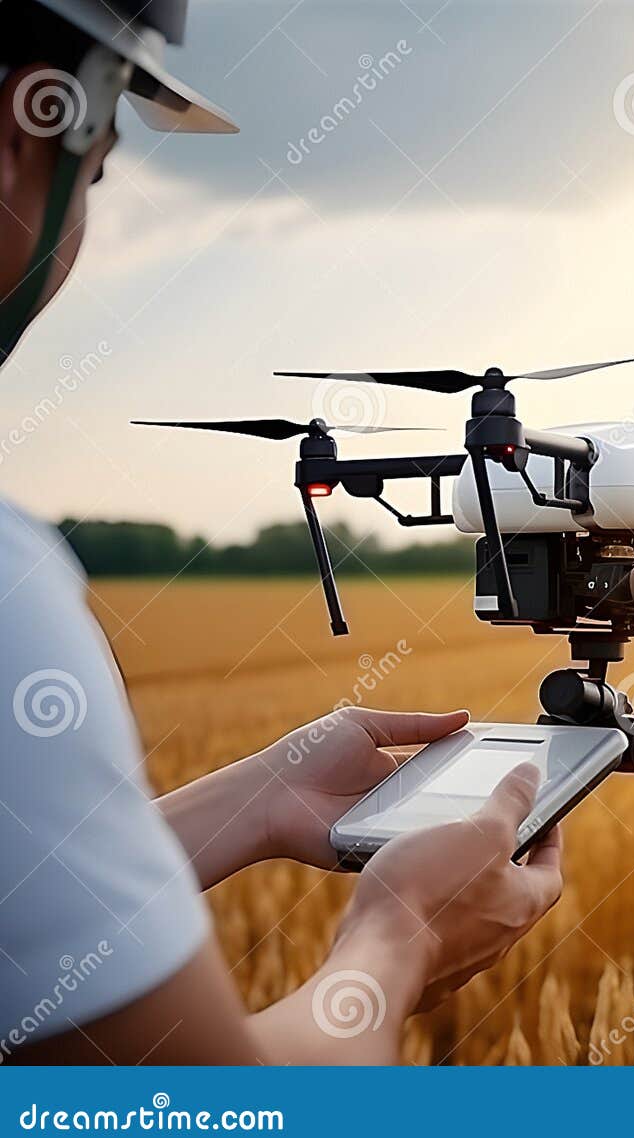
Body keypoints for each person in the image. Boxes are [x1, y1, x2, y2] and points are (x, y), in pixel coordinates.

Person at [0, 0, 563, 1063]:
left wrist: (255, 800)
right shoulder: (6, 595)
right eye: (103, 171)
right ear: (23, 139)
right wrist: (397, 942)